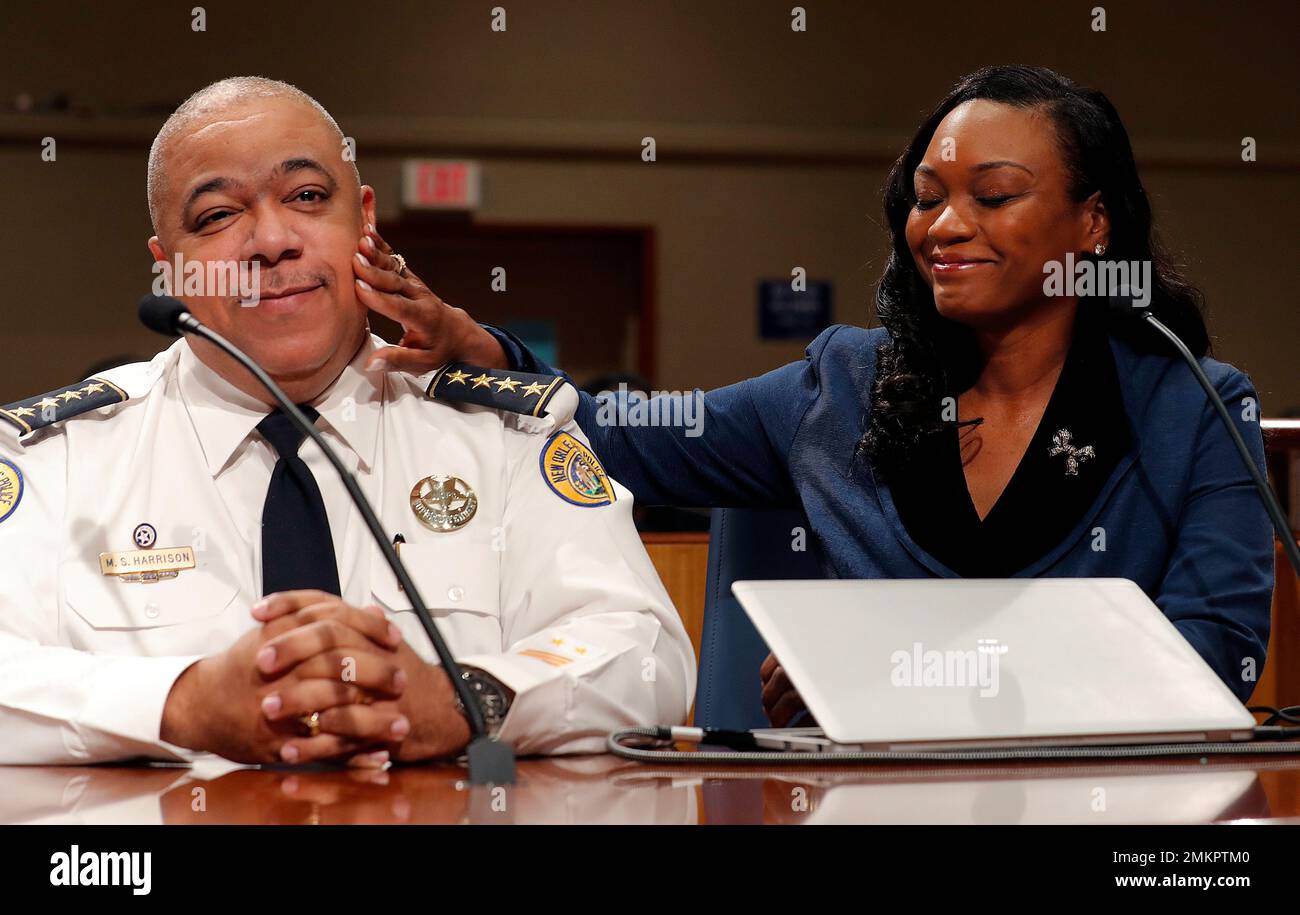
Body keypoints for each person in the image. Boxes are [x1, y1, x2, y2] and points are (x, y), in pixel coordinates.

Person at [359, 65, 1276, 728]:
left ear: (1094, 222)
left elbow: (1214, 659)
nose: (946, 225)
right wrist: (474, 353)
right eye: (926, 198)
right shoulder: (841, 387)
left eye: (994, 196)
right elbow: (618, 433)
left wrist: (892, 673)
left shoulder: (1195, 407)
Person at [0, 77, 693, 766]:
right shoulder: (57, 457)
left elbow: (644, 653)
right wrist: (179, 702)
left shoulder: (503, 434)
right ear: (170, 267)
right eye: (216, 216)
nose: (271, 241)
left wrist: (461, 701)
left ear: (365, 222)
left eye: (306, 197)